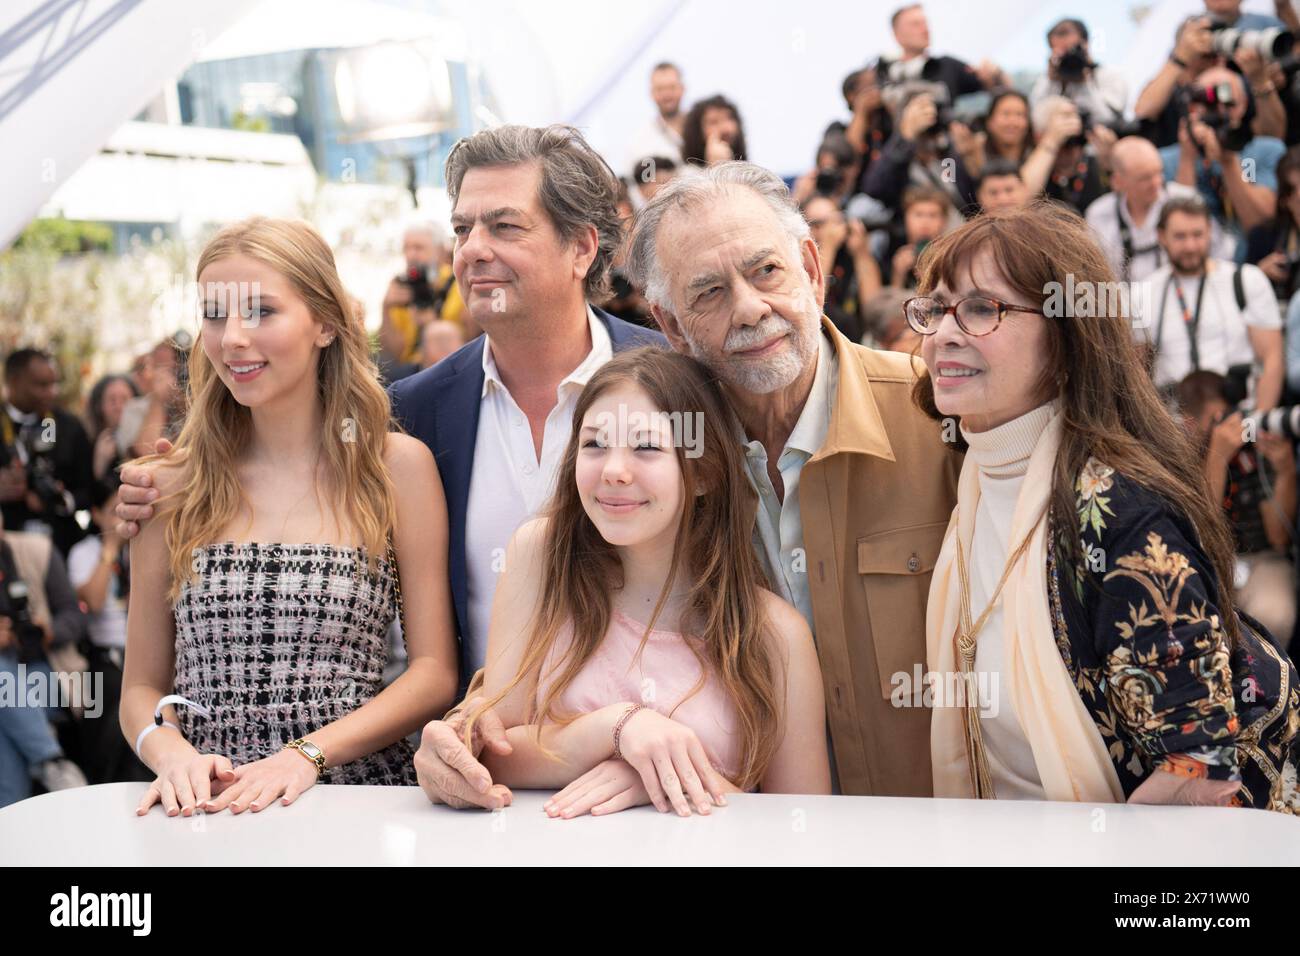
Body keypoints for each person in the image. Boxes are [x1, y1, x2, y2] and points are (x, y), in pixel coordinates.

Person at [414, 161, 960, 808]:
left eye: (766, 272)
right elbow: (572, 619)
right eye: (708, 293)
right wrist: (472, 727)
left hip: (930, 831)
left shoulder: (939, 420)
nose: (751, 308)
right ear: (670, 325)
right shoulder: (662, 451)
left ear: (812, 272)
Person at [908, 199, 1299, 810]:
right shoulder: (976, 478)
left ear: (1068, 338)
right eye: (934, 309)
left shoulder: (1122, 514)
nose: (944, 333)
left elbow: (1200, 772)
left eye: (983, 308)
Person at [119, 217, 459, 817]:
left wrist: (305, 756)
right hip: (207, 811)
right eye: (215, 315)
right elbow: (140, 687)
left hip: (355, 806)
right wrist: (172, 755)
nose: (232, 339)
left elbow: (433, 672)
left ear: (325, 323)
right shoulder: (168, 485)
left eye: (261, 312)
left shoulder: (394, 467)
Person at [459, 348, 831, 817]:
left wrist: (655, 775)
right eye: (594, 444)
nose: (614, 470)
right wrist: (618, 729)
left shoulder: (774, 633)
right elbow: (492, 752)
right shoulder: (541, 555)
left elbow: (805, 825)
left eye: (647, 447)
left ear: (704, 473)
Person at [1177, 370, 1297, 645]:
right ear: (1188, 423)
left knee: (1273, 614)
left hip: (1260, 560)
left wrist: (1286, 472)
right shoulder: (1179, 459)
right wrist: (1217, 458)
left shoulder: (1255, 446)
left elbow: (1278, 538)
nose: (1226, 429)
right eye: (1214, 421)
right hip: (1207, 564)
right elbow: (1199, 530)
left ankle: (1265, 684)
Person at [1139, 196, 1284, 409]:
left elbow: (1272, 358)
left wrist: (1256, 425)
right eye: (1180, 236)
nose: (1190, 246)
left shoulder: (1247, 280)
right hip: (1174, 426)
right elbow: (1136, 372)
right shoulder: (1144, 292)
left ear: (1209, 231)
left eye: (1198, 235)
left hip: (1239, 418)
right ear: (1161, 236)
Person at [0, 514, 89, 807]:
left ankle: (11, 816)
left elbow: (74, 615)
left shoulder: (36, 550)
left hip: (46, 670)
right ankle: (51, 761)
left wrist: (49, 632)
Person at [66, 482, 150, 785]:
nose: (121, 516)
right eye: (114, 509)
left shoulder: (147, 545)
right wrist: (110, 550)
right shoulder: (83, 552)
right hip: (106, 655)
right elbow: (94, 601)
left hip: (146, 652)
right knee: (111, 698)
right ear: (97, 515)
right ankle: (108, 781)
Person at [1161, 65, 1285, 239]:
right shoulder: (1163, 161)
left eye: (1228, 103)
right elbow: (1175, 233)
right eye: (1206, 102)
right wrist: (1187, 157)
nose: (1217, 110)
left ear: (1243, 105)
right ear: (1191, 106)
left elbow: (1261, 226)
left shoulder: (1268, 150)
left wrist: (1228, 160)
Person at [1085, 136, 1226, 283]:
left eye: (1159, 173)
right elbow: (1093, 276)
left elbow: (1219, 256)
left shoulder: (1186, 200)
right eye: (1145, 178)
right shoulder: (1098, 214)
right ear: (1118, 182)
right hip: (1124, 301)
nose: (1156, 183)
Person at [1, 349, 96, 559]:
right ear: (14, 382)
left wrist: (61, 499)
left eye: (53, 384)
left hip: (62, 548)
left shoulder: (69, 427)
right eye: (41, 385)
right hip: (6, 552)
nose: (51, 393)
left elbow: (90, 491)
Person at [876, 4, 1008, 105]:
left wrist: (995, 74)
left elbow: (1002, 90)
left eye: (925, 23)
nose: (925, 29)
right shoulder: (882, 73)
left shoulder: (947, 66)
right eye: (915, 24)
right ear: (897, 34)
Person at [801, 193, 881, 342]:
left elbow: (876, 312)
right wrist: (827, 248)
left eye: (834, 222)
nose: (828, 230)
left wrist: (862, 253)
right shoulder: (797, 261)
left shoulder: (851, 252)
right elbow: (808, 310)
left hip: (857, 344)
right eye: (818, 224)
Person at [1029, 18, 1128, 125]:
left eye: (1072, 50)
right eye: (1061, 53)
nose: (1069, 58)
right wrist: (1052, 80)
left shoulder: (1109, 75)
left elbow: (1109, 119)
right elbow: (1035, 117)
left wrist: (1084, 84)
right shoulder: (1049, 80)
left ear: (1085, 43)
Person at [84, 374, 139, 486]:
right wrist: (99, 465)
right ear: (99, 407)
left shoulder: (145, 437)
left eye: (124, 399)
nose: (118, 406)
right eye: (112, 400)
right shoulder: (88, 441)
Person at [627, 62, 685, 168]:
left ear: (682, 88)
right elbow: (647, 182)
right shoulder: (640, 143)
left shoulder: (704, 128)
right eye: (660, 89)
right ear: (652, 93)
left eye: (672, 87)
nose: (667, 94)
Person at [681, 94, 748, 166]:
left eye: (729, 119)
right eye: (713, 122)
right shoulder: (686, 173)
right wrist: (719, 164)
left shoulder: (749, 171)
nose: (725, 128)